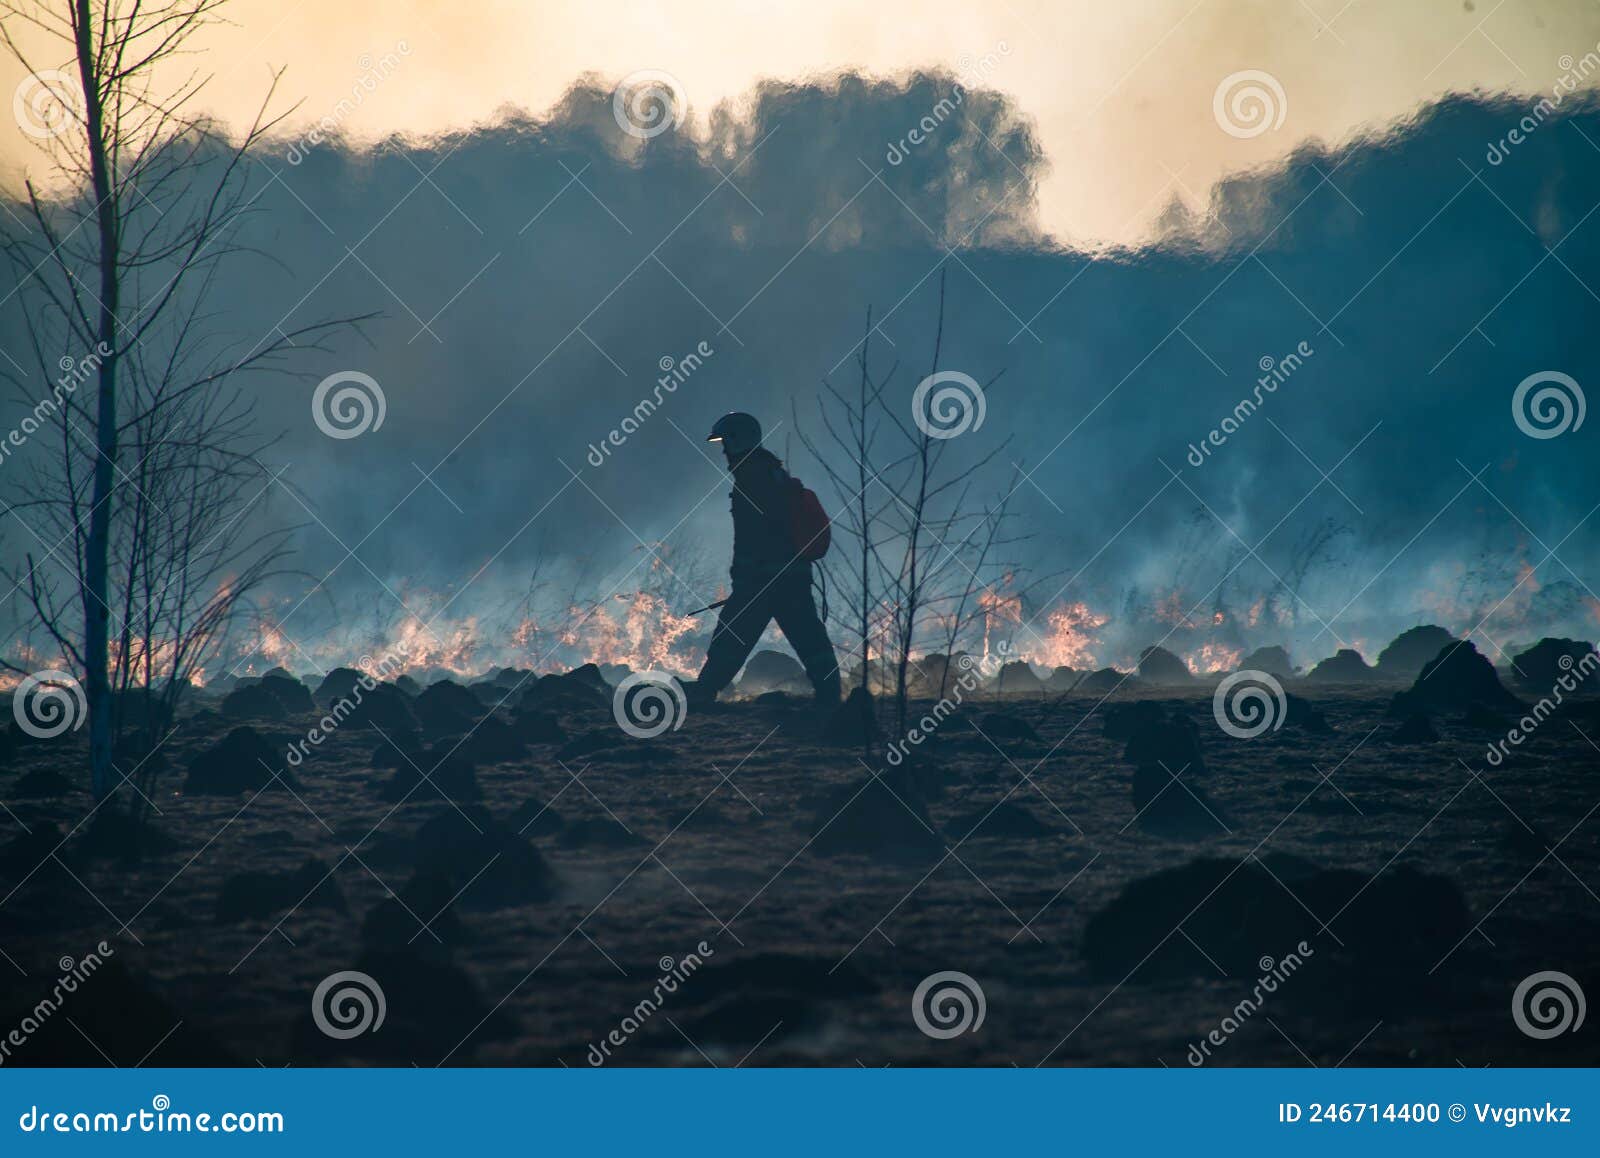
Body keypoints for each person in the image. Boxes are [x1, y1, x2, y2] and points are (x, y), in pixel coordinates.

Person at [686, 412, 841, 707]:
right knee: (810, 639)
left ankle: (704, 693)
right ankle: (831, 696)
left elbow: (756, 537)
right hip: (790, 577)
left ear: (736, 440)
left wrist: (745, 578)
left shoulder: (752, 478)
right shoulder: (770, 473)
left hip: (764, 580)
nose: (723, 451)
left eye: (725, 442)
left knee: (731, 638)